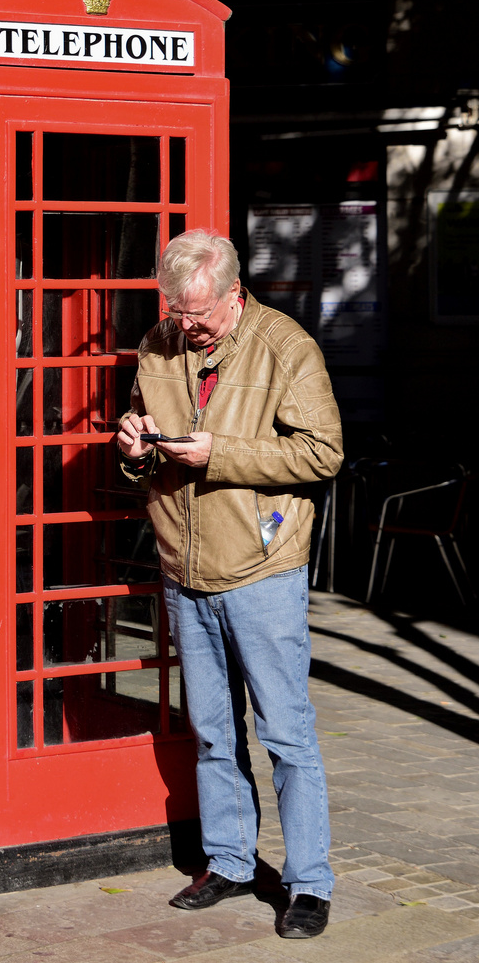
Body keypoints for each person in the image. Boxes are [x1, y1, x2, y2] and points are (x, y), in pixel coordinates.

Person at [117, 229, 343, 939]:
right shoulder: (157, 345)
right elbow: (143, 438)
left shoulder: (286, 348)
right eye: (175, 311)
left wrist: (218, 454)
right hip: (184, 567)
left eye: (198, 313)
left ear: (231, 293)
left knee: (285, 734)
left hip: (259, 568)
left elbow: (321, 453)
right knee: (212, 733)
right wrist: (131, 447)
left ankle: (308, 883)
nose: (184, 326)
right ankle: (229, 862)